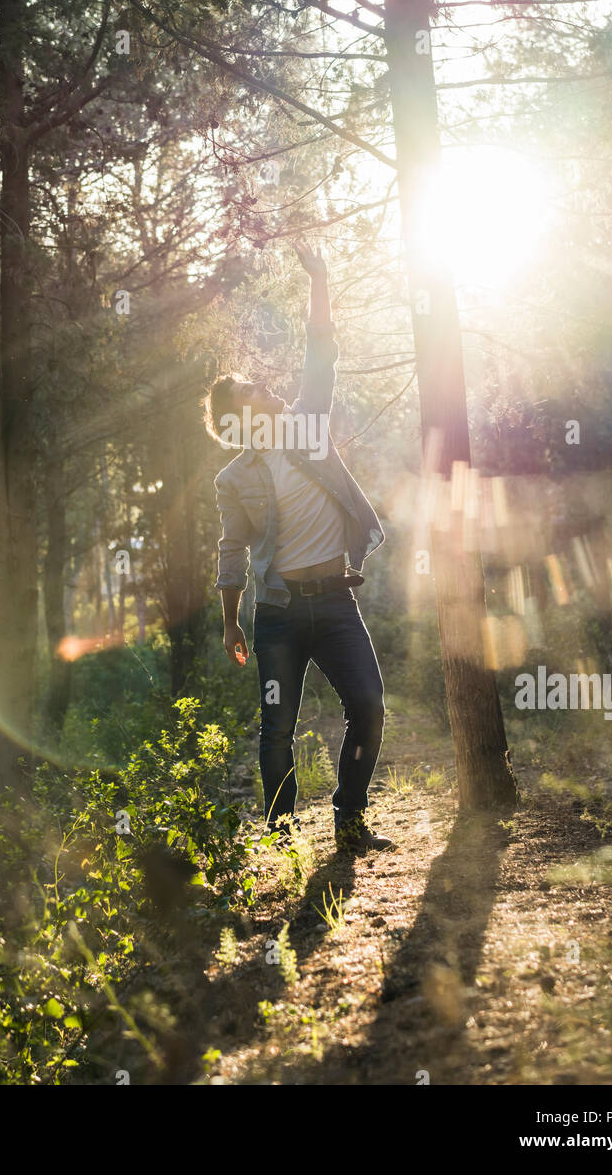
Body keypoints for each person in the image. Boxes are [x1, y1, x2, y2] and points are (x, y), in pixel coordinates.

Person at [204, 245, 393, 853]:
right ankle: (282, 839)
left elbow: (321, 353)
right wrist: (232, 621)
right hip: (280, 614)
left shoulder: (307, 426)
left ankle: (350, 815)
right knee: (277, 729)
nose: (268, 388)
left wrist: (321, 279)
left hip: (336, 601)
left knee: (367, 704)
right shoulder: (234, 479)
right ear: (240, 417)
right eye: (254, 388)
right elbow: (231, 549)